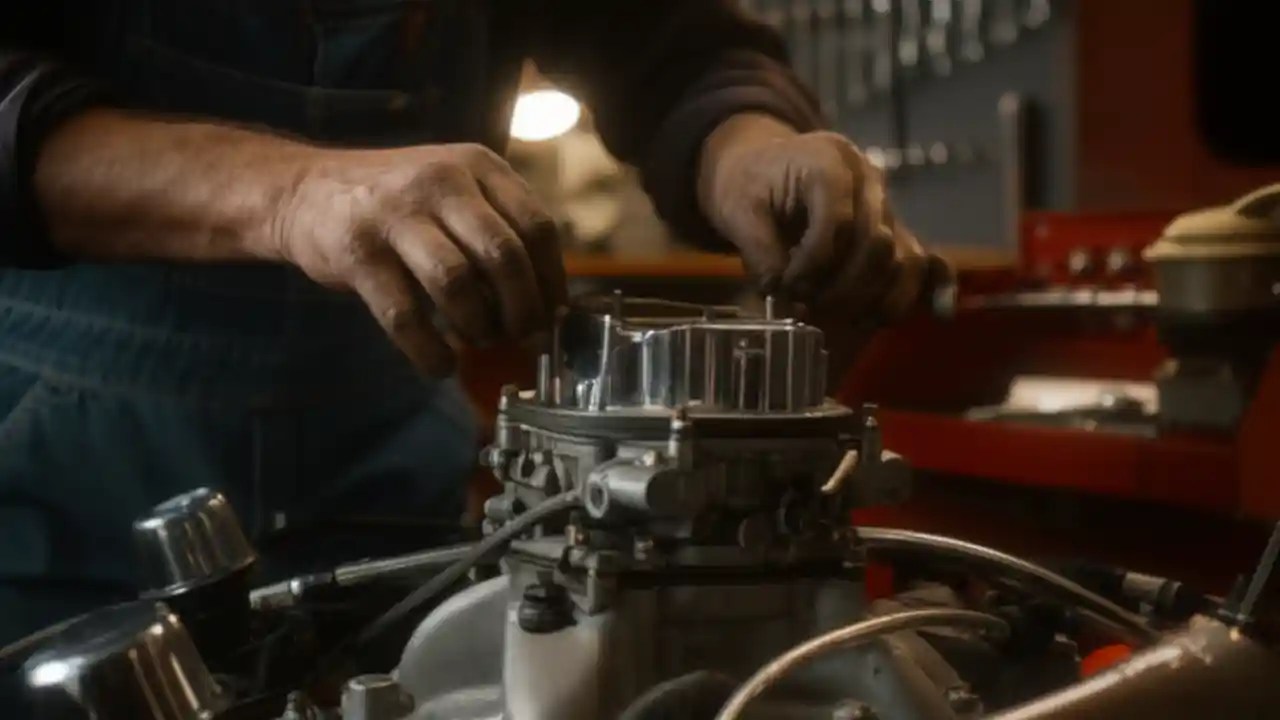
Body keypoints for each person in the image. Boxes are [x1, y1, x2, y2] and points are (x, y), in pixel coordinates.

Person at [0, 0, 935, 649]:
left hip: (388, 483)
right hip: (56, 475)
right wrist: (293, 194)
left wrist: (746, 143)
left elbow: (671, 44)